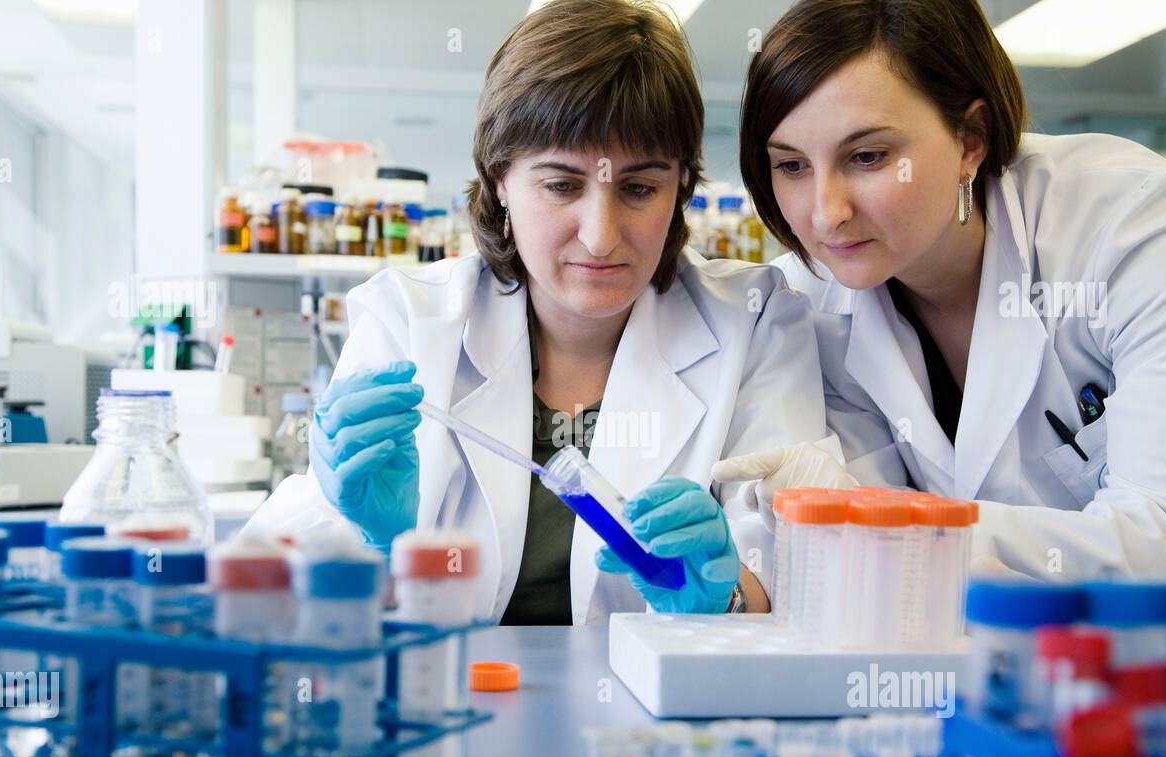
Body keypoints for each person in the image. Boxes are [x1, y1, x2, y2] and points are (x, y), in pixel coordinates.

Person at [244, 0, 831, 622]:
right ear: (500, 179)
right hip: (447, 702)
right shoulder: (410, 323)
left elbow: (807, 581)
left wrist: (725, 595)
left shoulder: (756, 321)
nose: (601, 235)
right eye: (561, 186)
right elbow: (269, 582)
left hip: (668, 714)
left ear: (682, 186)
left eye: (639, 188)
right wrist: (370, 539)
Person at [719, 0, 1166, 581]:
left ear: (970, 140)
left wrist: (898, 525)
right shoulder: (813, 304)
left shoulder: (1126, 224)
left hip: (1160, 655)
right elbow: (869, 575)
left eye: (868, 156)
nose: (827, 215)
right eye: (792, 166)